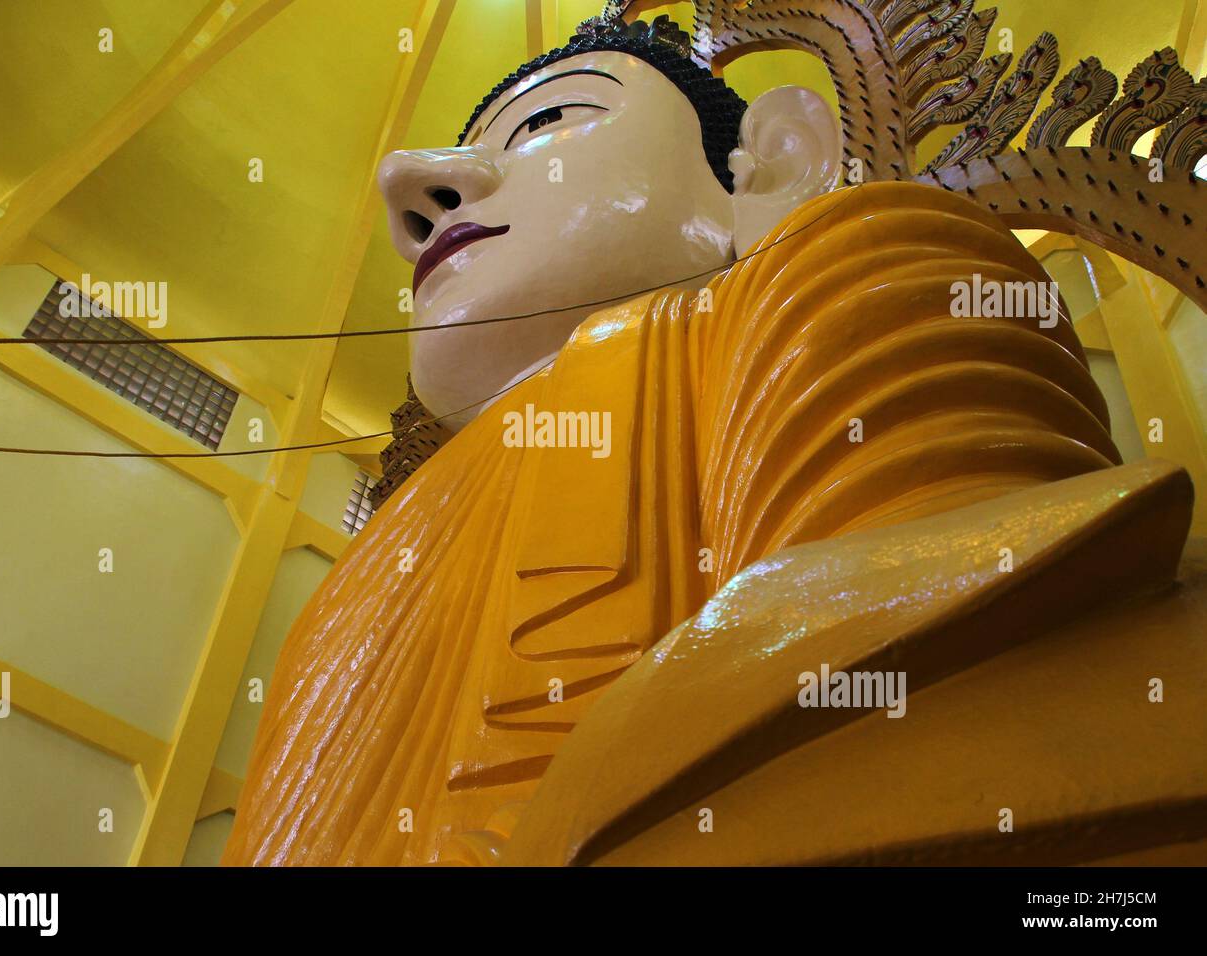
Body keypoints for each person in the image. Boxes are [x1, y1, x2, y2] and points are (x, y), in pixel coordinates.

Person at [223, 15, 1206, 867]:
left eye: (546, 121)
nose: (412, 184)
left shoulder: (841, 270)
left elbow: (989, 674)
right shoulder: (361, 571)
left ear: (771, 172)